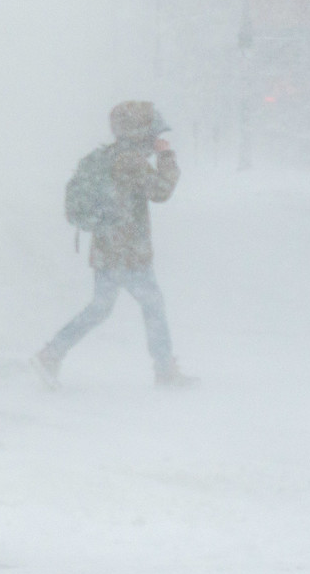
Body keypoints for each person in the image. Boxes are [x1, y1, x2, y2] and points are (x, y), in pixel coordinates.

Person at [35, 100, 194, 389]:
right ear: (140, 132)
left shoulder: (111, 156)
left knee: (100, 308)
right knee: (153, 306)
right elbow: (161, 191)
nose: (156, 139)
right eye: (153, 134)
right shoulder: (130, 160)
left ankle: (51, 354)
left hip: (108, 249)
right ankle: (165, 371)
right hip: (127, 252)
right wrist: (166, 156)